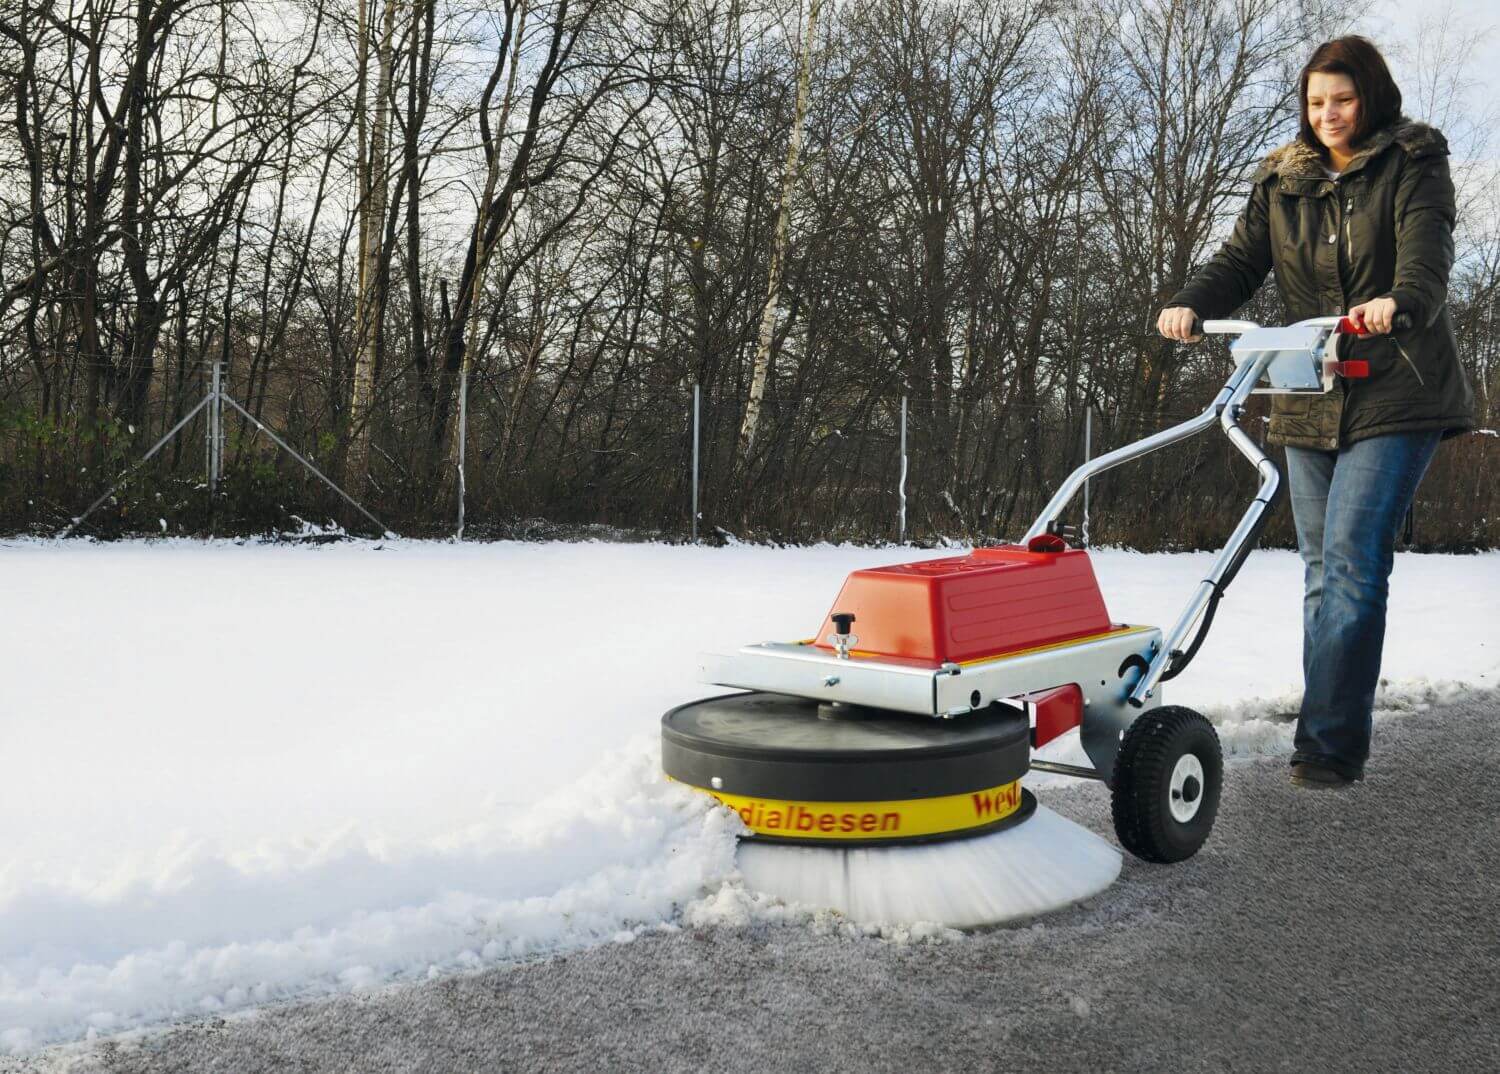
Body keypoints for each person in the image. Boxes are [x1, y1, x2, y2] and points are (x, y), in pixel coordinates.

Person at [1157, 36, 1474, 789]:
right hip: (1307, 389)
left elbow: (1426, 257)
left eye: (1343, 99)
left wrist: (1399, 303)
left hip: (1397, 388)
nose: (1327, 114)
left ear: (1371, 97)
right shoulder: (1283, 180)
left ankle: (1328, 747)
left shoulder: (1414, 163)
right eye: (1315, 101)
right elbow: (1239, 261)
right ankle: (1325, 730)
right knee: (1319, 571)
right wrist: (1190, 305)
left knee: (1354, 566)